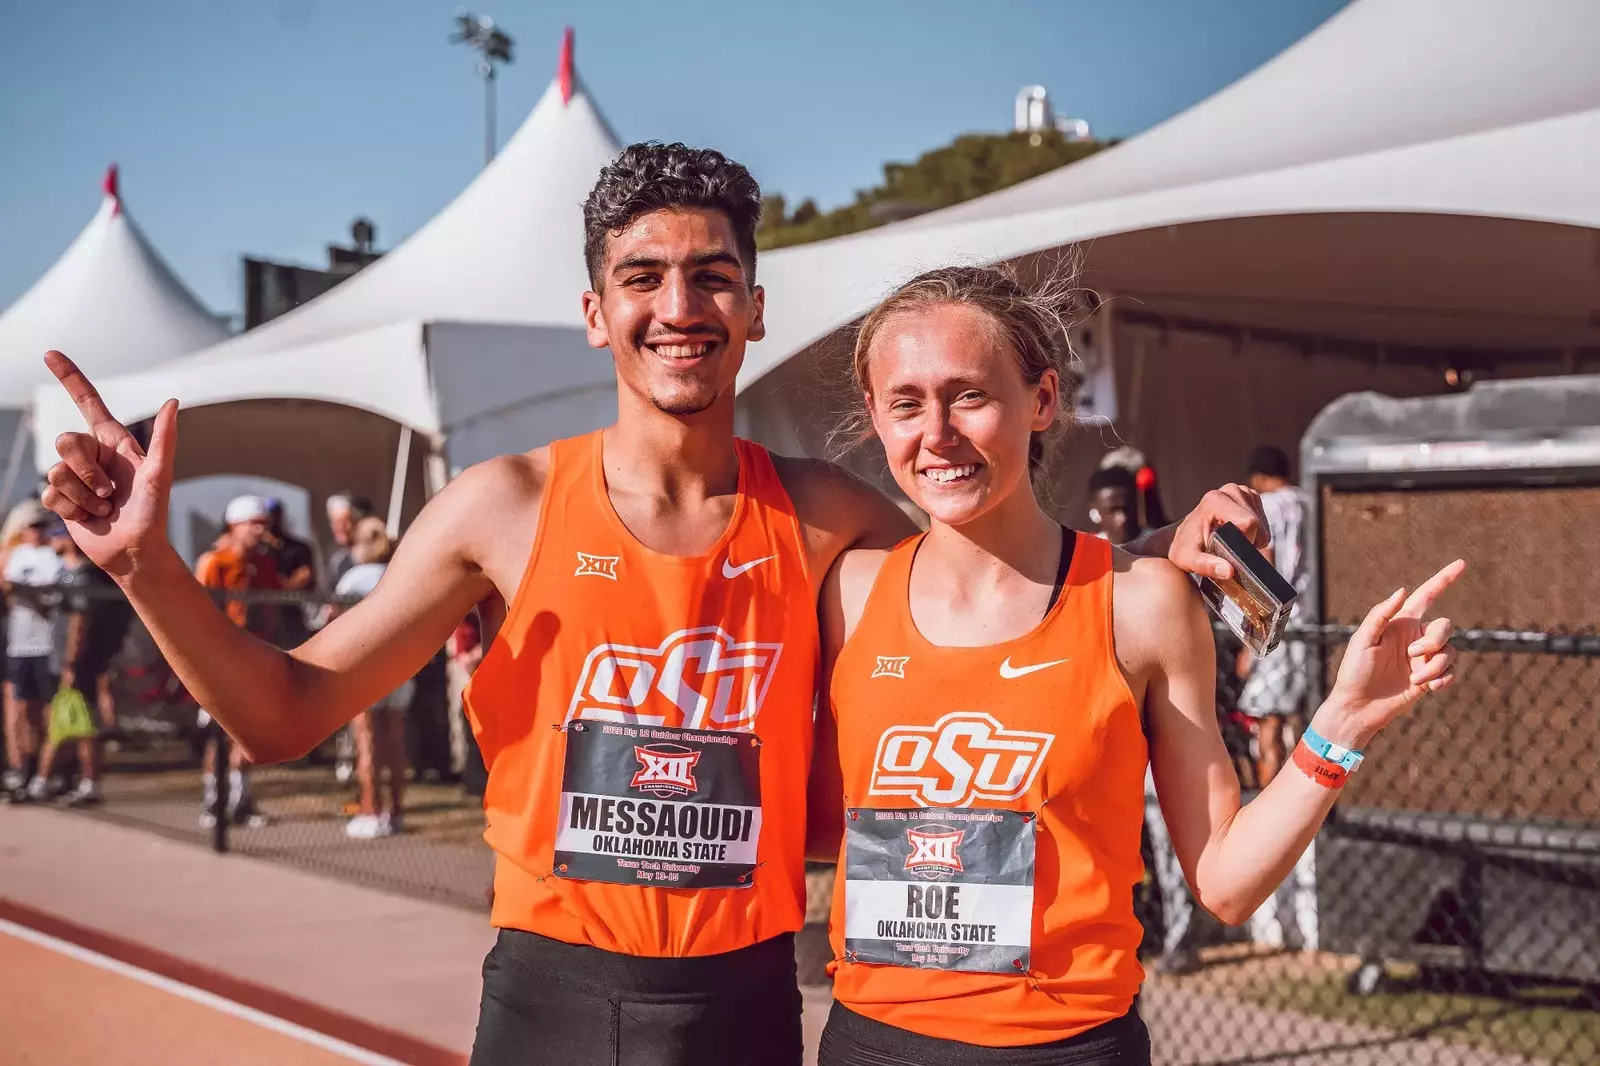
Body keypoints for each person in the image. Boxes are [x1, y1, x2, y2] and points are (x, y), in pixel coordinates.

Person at [38, 143, 1265, 1066]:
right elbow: (282, 715)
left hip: (746, 999)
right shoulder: (499, 508)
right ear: (595, 312)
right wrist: (144, 565)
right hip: (555, 999)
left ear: (753, 309)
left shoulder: (829, 511)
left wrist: (1154, 546)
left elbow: (1003, 570)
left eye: (712, 277)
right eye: (644, 278)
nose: (679, 306)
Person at [807, 266, 1462, 1064]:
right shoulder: (848, 589)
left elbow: (1225, 881)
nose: (937, 432)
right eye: (906, 402)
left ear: (1042, 399)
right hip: (870, 1044)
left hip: (1065, 1048)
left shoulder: (1142, 605)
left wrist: (1343, 721)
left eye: (969, 395)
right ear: (875, 414)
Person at [27, 519, 130, 805]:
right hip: (58, 662)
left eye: (56, 534)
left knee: (83, 726)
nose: (50, 539)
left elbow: (79, 621)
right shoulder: (66, 574)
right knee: (60, 724)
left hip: (74, 665)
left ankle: (87, 783)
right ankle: (51, 779)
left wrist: (71, 663)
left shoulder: (84, 577)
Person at [193, 494, 280, 829]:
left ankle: (240, 802)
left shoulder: (264, 563)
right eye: (253, 524)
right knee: (218, 731)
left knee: (247, 733)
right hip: (220, 660)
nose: (260, 531)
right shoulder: (216, 562)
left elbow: (273, 605)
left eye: (264, 525)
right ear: (235, 524)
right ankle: (213, 801)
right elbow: (201, 612)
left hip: (256, 657)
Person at [332, 517, 412, 839]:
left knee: (368, 742)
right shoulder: (400, 576)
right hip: (400, 666)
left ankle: (371, 810)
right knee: (395, 741)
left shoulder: (353, 579)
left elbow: (334, 619)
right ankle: (396, 811)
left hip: (365, 667)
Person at [1236, 445, 1311, 787]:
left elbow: (1264, 568)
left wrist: (1252, 632)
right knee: (1303, 717)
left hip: (1278, 622)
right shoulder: (1309, 502)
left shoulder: (1268, 505)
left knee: (1268, 719)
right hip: (1311, 621)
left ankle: (1269, 799)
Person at [3, 507, 63, 802]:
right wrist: (30, 593)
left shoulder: (51, 558)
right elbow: (14, 589)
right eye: (33, 526)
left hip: (45, 644)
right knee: (23, 709)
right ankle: (25, 768)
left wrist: (29, 593)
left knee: (46, 710)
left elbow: (47, 596)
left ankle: (46, 770)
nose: (37, 532)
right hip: (20, 644)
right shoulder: (18, 556)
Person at [263, 496, 315, 649]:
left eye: (275, 514)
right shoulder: (256, 551)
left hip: (293, 609)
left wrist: (283, 587)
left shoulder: (298, 548)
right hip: (263, 614)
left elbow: (305, 574)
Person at [324, 492, 372, 590]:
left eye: (345, 522)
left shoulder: (374, 556)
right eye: (335, 522)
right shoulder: (338, 560)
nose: (340, 527)